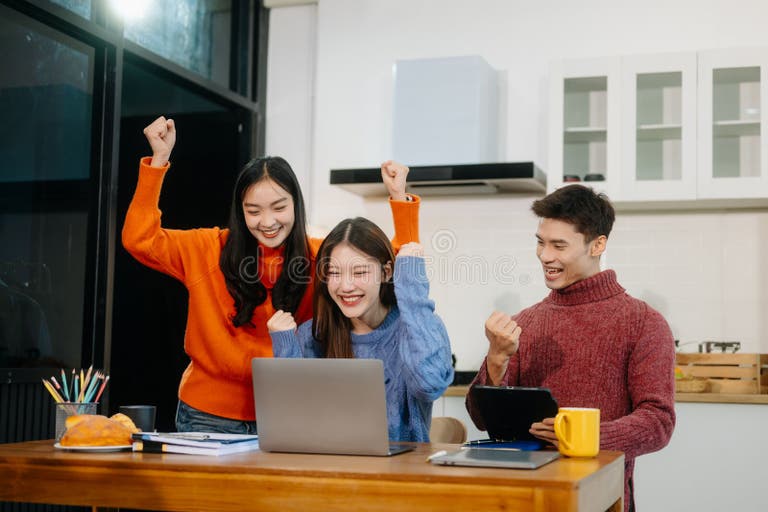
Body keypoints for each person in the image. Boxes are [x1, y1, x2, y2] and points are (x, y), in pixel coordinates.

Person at [122, 116, 420, 433]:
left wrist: (398, 197)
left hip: (289, 410)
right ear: (240, 211)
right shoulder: (206, 248)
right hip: (207, 415)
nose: (267, 222)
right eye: (253, 211)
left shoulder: (319, 256)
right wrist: (158, 161)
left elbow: (394, 264)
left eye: (279, 208)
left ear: (296, 205)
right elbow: (140, 239)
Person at [465, 184, 675, 512]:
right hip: (523, 499)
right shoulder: (525, 322)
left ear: (598, 245)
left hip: (602, 500)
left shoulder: (644, 322)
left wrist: (579, 437)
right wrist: (496, 359)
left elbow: (658, 422)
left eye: (559, 245)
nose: (545, 256)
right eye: (541, 242)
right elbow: (480, 419)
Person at [267, 217, 453, 442]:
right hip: (332, 462)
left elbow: (429, 385)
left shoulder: (419, 327)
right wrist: (286, 347)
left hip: (405, 463)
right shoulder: (313, 334)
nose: (346, 286)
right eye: (334, 273)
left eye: (359, 272)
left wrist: (411, 284)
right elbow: (291, 425)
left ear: (386, 272)